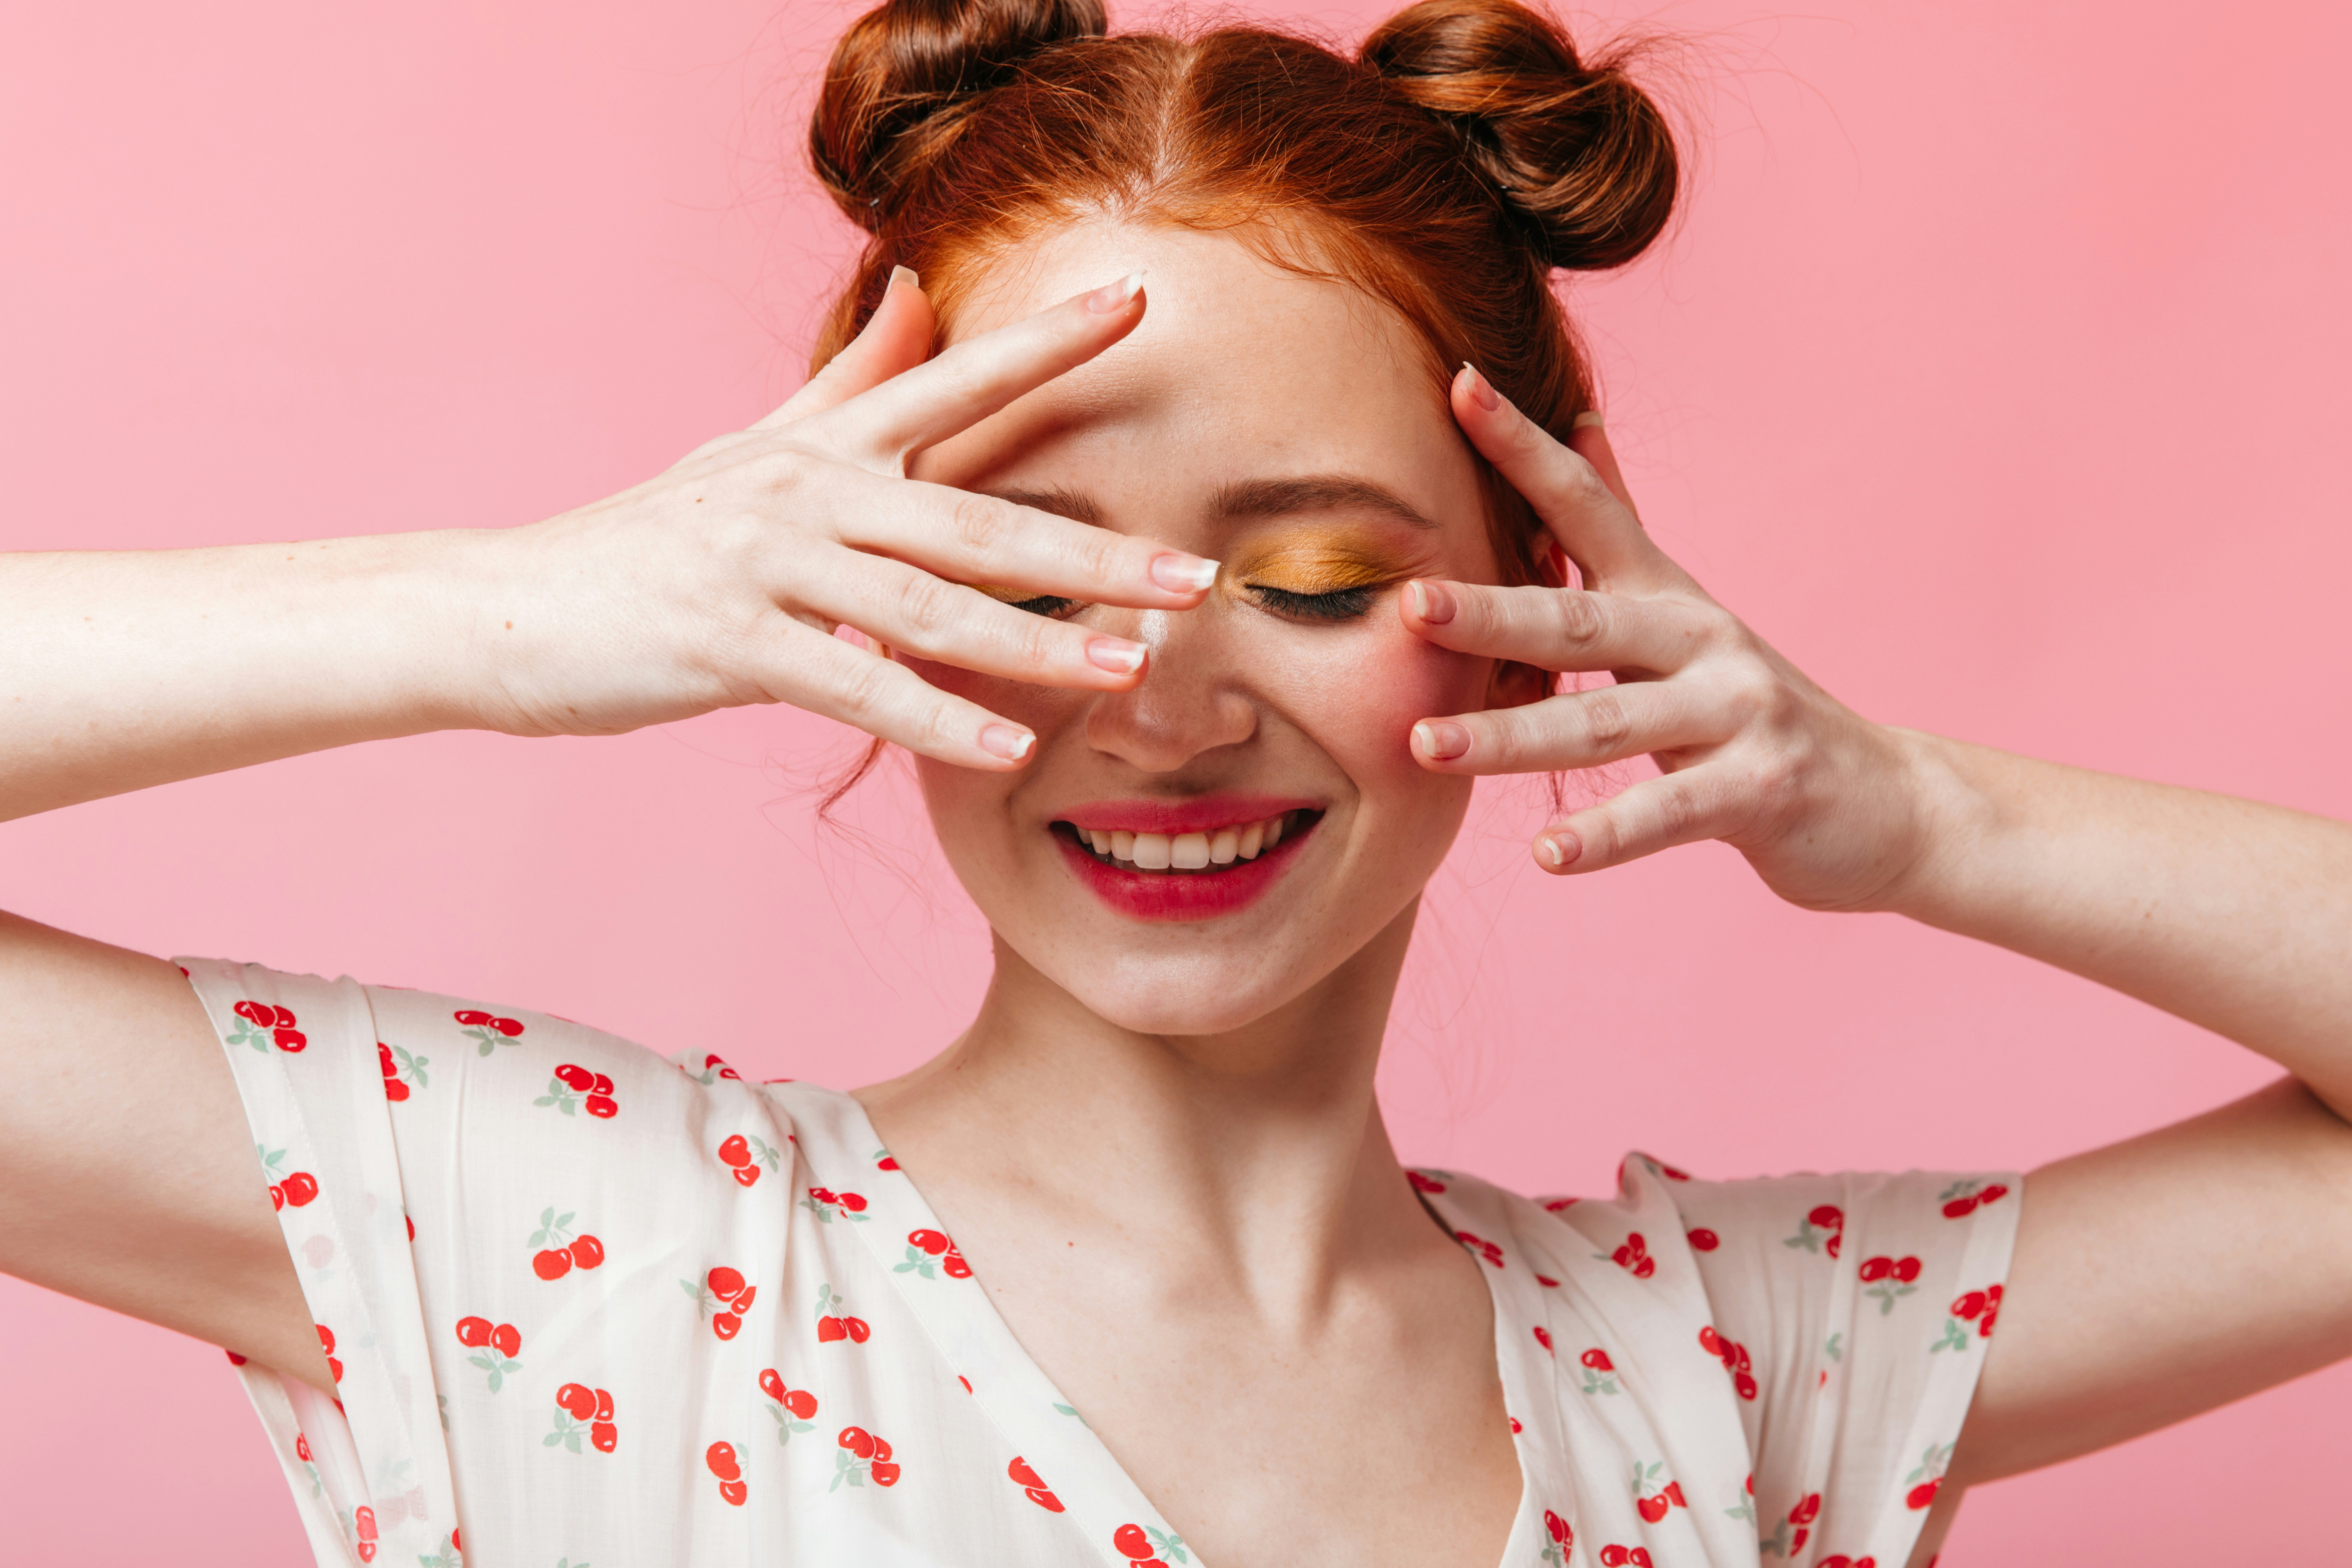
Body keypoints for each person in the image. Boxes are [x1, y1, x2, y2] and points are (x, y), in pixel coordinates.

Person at [4, 0, 2349, 1562]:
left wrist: (1922, 817)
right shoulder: (558, 1243)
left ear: (1540, 578)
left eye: (1316, 575)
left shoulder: (1718, 1360)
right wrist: (520, 618)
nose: (1163, 704)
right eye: (1027, 576)